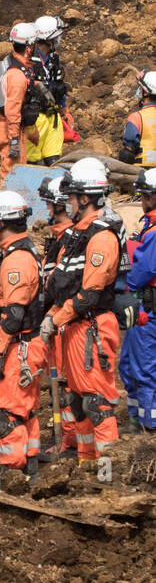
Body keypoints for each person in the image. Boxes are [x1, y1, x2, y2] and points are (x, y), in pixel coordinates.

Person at [41, 158, 126, 468]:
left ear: (86, 198)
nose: (68, 203)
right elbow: (60, 283)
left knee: (96, 403)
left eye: (73, 197)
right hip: (75, 328)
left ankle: (107, 476)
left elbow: (89, 294)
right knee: (77, 401)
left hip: (92, 328)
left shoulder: (101, 236)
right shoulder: (77, 235)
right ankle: (87, 467)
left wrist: (55, 319)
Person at [0, 193, 47, 487]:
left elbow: (13, 314)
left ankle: (12, 474)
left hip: (18, 347)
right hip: (26, 346)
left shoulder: (17, 261)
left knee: (5, 414)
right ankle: (30, 470)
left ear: (0, 224)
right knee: (25, 411)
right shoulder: (18, 254)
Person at [39, 174, 77, 455]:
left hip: (63, 321)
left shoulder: (69, 241)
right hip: (57, 319)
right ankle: (65, 438)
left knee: (65, 382)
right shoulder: (60, 239)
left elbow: (59, 283)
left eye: (50, 205)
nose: (48, 211)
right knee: (60, 382)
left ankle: (69, 441)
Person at [119, 170, 156, 432]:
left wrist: (123, 288)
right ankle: (136, 418)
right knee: (129, 364)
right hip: (141, 302)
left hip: (147, 304)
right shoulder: (149, 225)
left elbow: (144, 269)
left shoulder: (154, 231)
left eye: (145, 194)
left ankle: (148, 423)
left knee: (144, 366)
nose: (141, 199)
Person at [0, 23, 42, 183]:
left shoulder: (16, 67)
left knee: (18, 173)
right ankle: (5, 206)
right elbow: (12, 110)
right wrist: (14, 140)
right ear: (28, 48)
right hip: (10, 128)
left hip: (14, 127)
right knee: (11, 175)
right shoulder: (17, 75)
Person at [26, 16, 67, 166]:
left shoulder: (53, 58)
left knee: (54, 159)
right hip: (36, 117)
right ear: (49, 39)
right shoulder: (29, 59)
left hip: (53, 116)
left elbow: (58, 83)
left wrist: (65, 109)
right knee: (31, 159)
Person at [118, 70, 156, 168]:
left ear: (146, 93)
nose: (139, 90)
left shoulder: (136, 117)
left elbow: (129, 150)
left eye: (140, 88)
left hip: (141, 170)